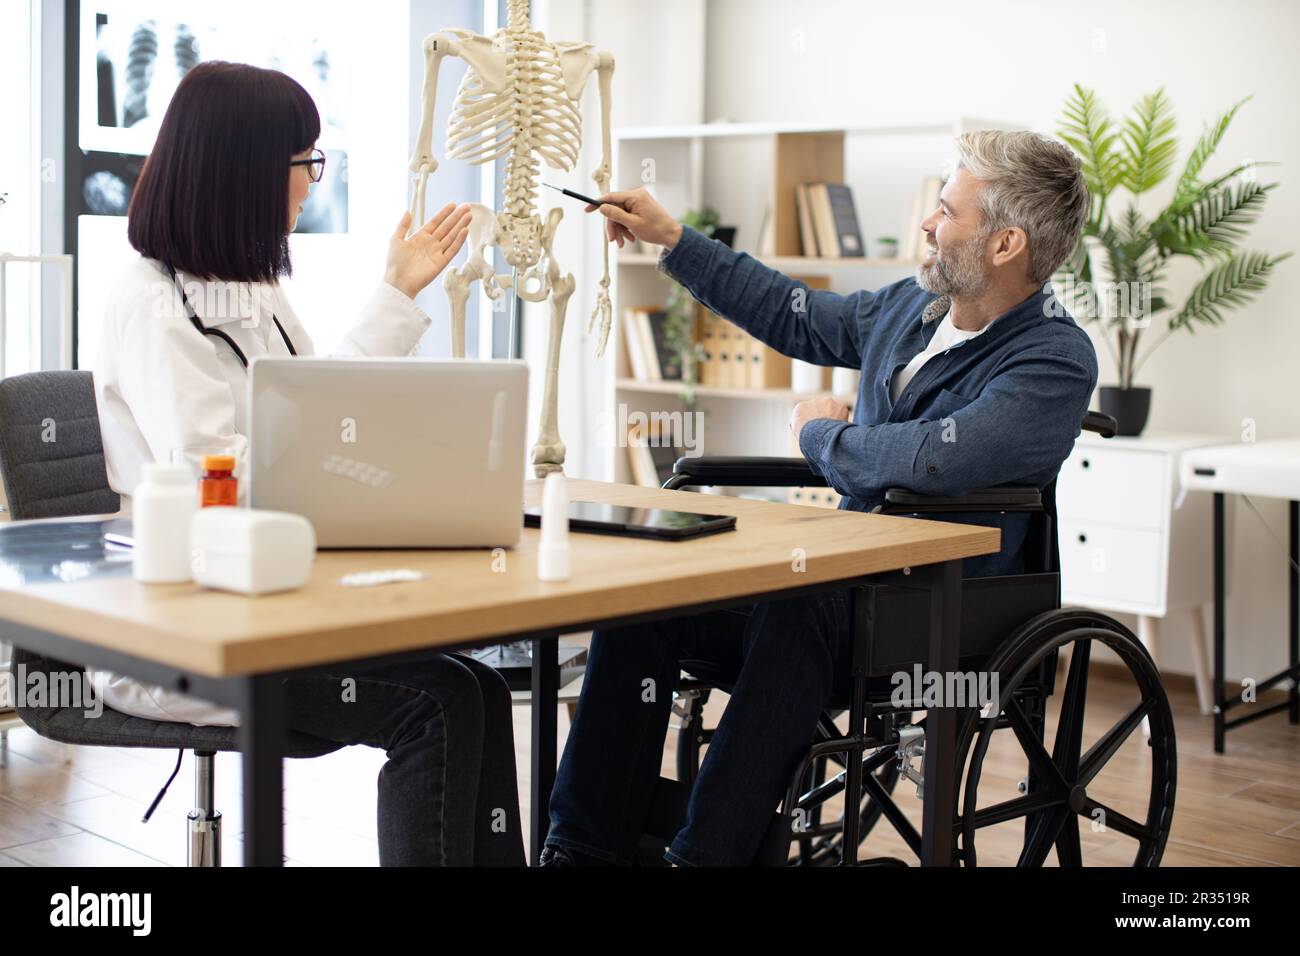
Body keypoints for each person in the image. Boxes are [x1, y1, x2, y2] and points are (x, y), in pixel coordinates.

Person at [543, 130, 1099, 866]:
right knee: (649, 600)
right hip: (847, 585)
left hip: (939, 611)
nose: (929, 223)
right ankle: (579, 849)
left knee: (799, 598)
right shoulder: (913, 309)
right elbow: (791, 310)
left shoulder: (1054, 358)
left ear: (1005, 244)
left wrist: (820, 438)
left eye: (946, 209)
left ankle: (705, 856)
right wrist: (672, 239)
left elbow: (934, 460)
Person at [91, 60, 522, 867]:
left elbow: (326, 421)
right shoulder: (152, 305)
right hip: (183, 633)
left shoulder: (252, 291)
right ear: (248, 169)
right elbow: (222, 478)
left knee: (479, 686)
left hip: (270, 603)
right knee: (437, 703)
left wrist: (397, 292)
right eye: (305, 163)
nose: (309, 184)